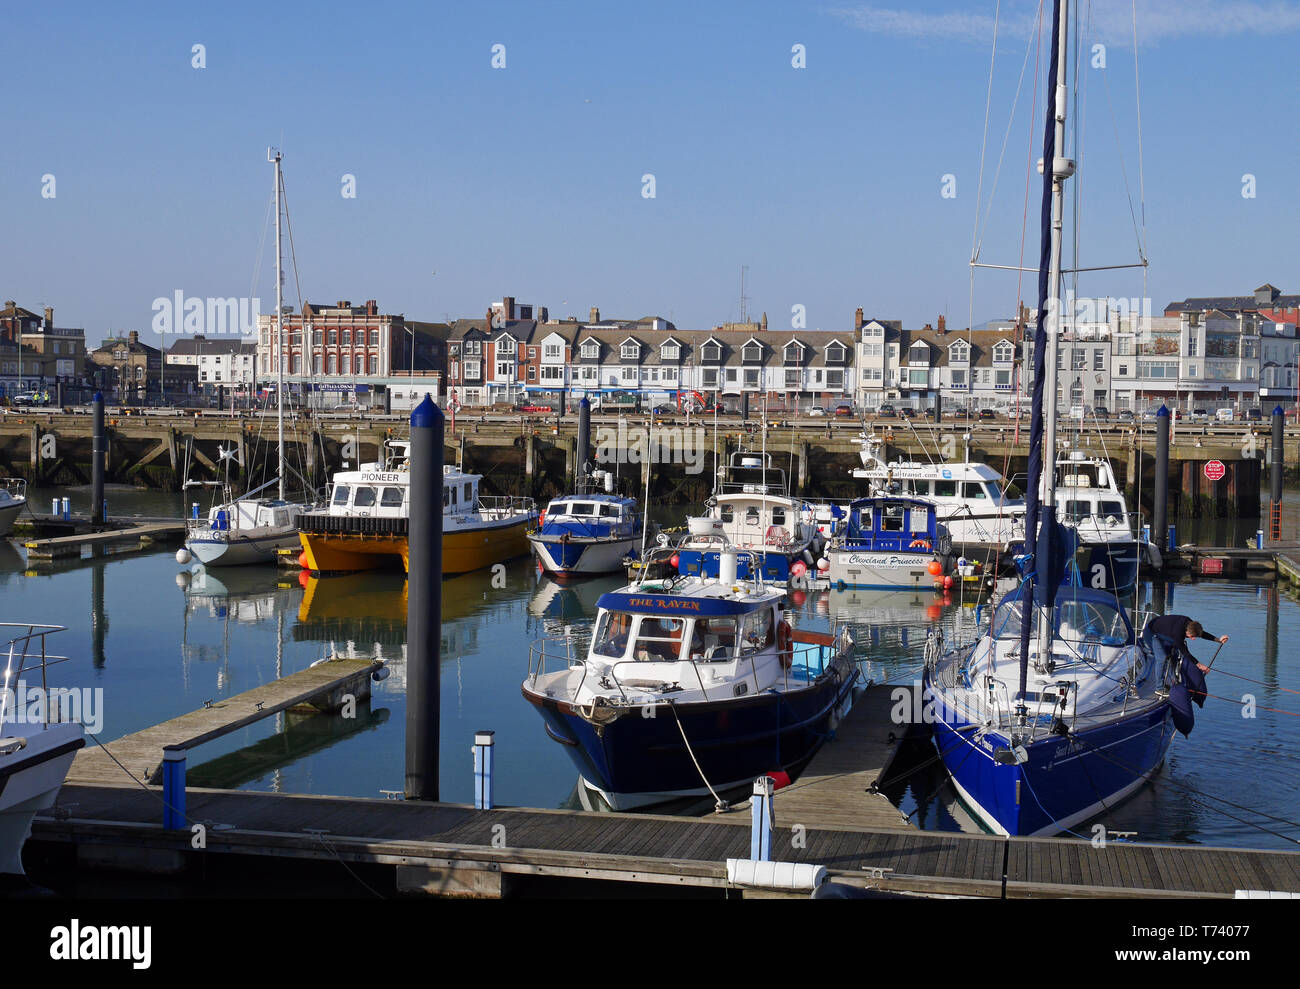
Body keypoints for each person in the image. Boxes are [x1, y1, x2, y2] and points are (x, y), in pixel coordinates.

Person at [1141, 614, 1228, 673]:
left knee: (1174, 649)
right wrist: (1199, 665)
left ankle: (1171, 672)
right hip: (1151, 632)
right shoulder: (1178, 633)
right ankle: (1159, 688)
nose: (1193, 639)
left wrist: (1218, 640)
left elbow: (1202, 634)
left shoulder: (1190, 624)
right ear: (1186, 631)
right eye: (1191, 636)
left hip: (1164, 630)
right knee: (1161, 658)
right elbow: (1185, 652)